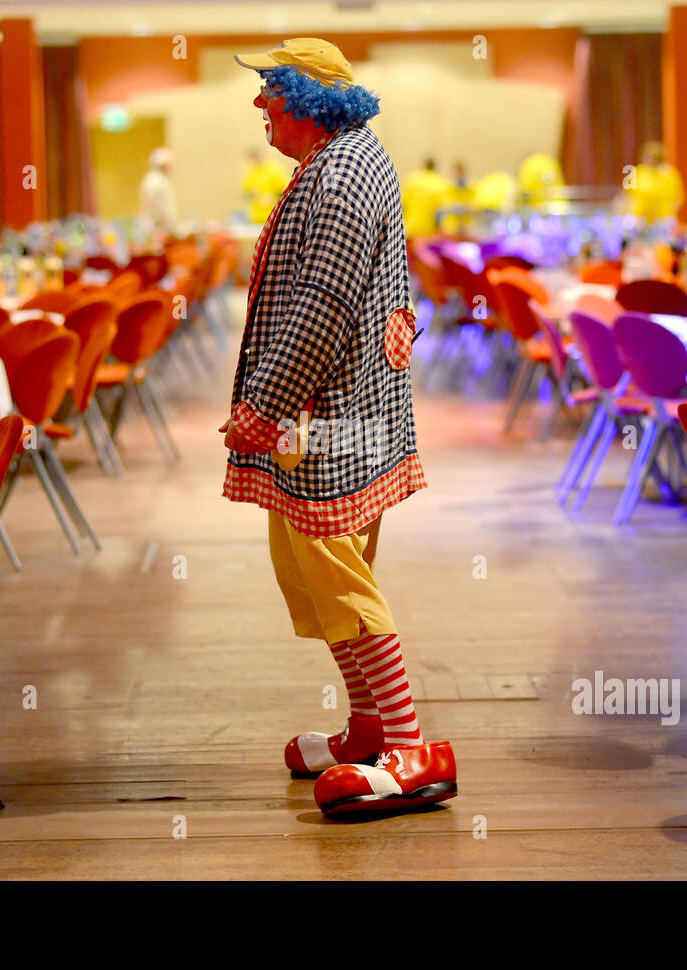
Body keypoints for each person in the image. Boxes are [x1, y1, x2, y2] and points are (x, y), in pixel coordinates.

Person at [225, 37, 456, 817]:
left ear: (307, 97)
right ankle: (370, 726)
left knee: (338, 578)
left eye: (269, 89)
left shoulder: (342, 174)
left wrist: (263, 408)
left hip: (327, 419)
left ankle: (408, 748)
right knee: (315, 570)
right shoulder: (341, 163)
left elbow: (320, 310)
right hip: (334, 414)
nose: (259, 103)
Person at [624, 141, 685, 224]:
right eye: (647, 158)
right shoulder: (639, 172)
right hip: (640, 217)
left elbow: (677, 198)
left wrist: (669, 214)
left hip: (662, 218)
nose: (650, 161)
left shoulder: (668, 174)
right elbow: (629, 195)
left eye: (653, 158)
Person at [400, 157, 454, 239]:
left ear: (424, 166)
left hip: (411, 229)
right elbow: (441, 211)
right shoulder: (440, 183)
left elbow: (403, 205)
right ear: (435, 167)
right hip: (429, 232)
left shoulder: (412, 180)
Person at [139, 147, 179, 239]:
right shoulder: (158, 182)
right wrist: (169, 227)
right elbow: (162, 209)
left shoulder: (151, 179)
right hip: (159, 229)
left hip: (157, 228)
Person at [241, 148, 287, 225]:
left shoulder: (275, 170)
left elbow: (284, 191)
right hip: (256, 217)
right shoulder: (250, 173)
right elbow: (246, 193)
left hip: (273, 214)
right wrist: (253, 195)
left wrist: (273, 197)